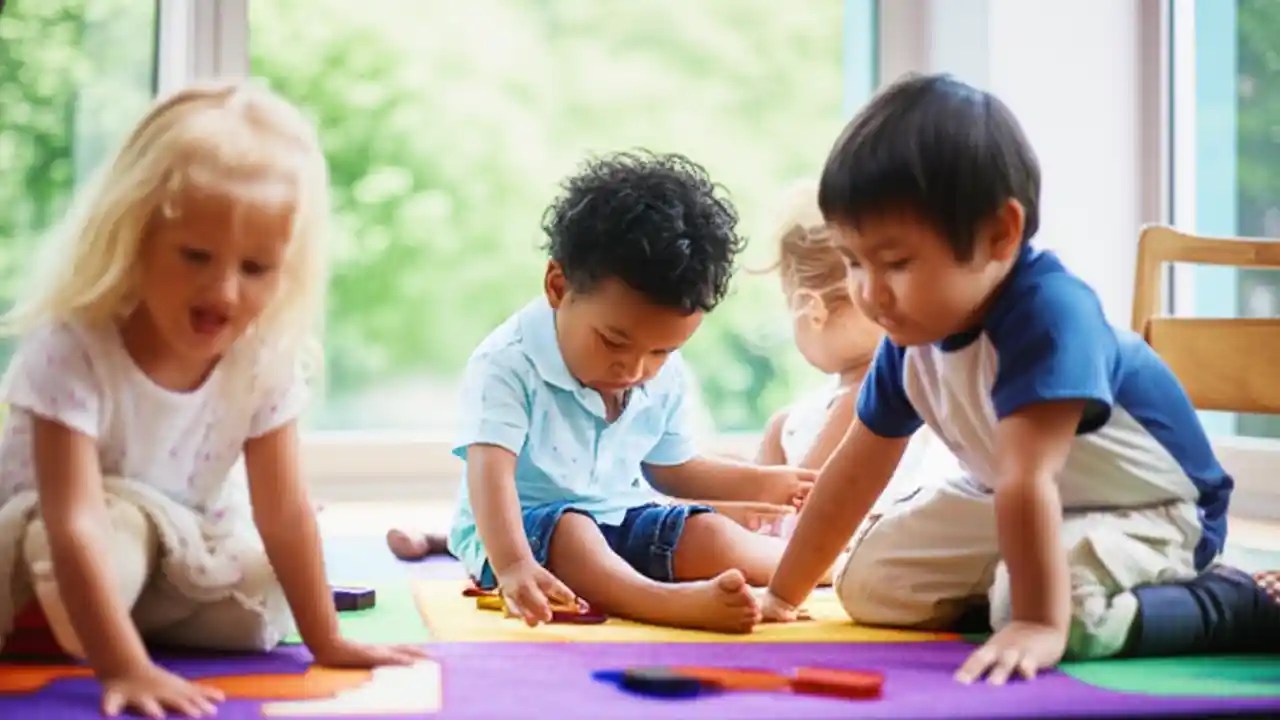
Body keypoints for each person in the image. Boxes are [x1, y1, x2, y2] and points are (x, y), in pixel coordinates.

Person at [761, 73, 1279, 684]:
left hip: (1153, 510)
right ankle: (1026, 582)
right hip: (1016, 500)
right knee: (873, 585)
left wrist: (1036, 620)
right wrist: (782, 594)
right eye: (854, 263)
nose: (870, 294)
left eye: (896, 263)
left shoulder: (1049, 317)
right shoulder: (911, 337)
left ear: (1000, 234)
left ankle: (1238, 602)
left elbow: (1026, 476)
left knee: (1065, 616)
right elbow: (854, 471)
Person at [0, 80, 425, 718]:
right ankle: (73, 626)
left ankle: (105, 625)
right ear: (133, 236)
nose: (223, 292)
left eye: (255, 269)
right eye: (195, 257)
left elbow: (284, 512)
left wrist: (326, 640)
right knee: (114, 538)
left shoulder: (262, 359)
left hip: (186, 538)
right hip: (62, 534)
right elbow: (74, 520)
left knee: (266, 592)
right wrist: (127, 670)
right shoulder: (74, 347)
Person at [447, 150, 817, 633]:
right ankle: (664, 603)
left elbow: (672, 469)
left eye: (661, 350)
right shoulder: (507, 363)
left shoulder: (661, 372)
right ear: (558, 286)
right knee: (574, 530)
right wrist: (515, 566)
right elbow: (489, 473)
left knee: (708, 531)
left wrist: (767, 483)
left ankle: (826, 566)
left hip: (624, 520)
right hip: (522, 536)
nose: (635, 368)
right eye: (614, 341)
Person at [753, 181, 956, 537]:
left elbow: (807, 507)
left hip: (837, 546)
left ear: (810, 308)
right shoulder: (817, 411)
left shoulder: (862, 399)